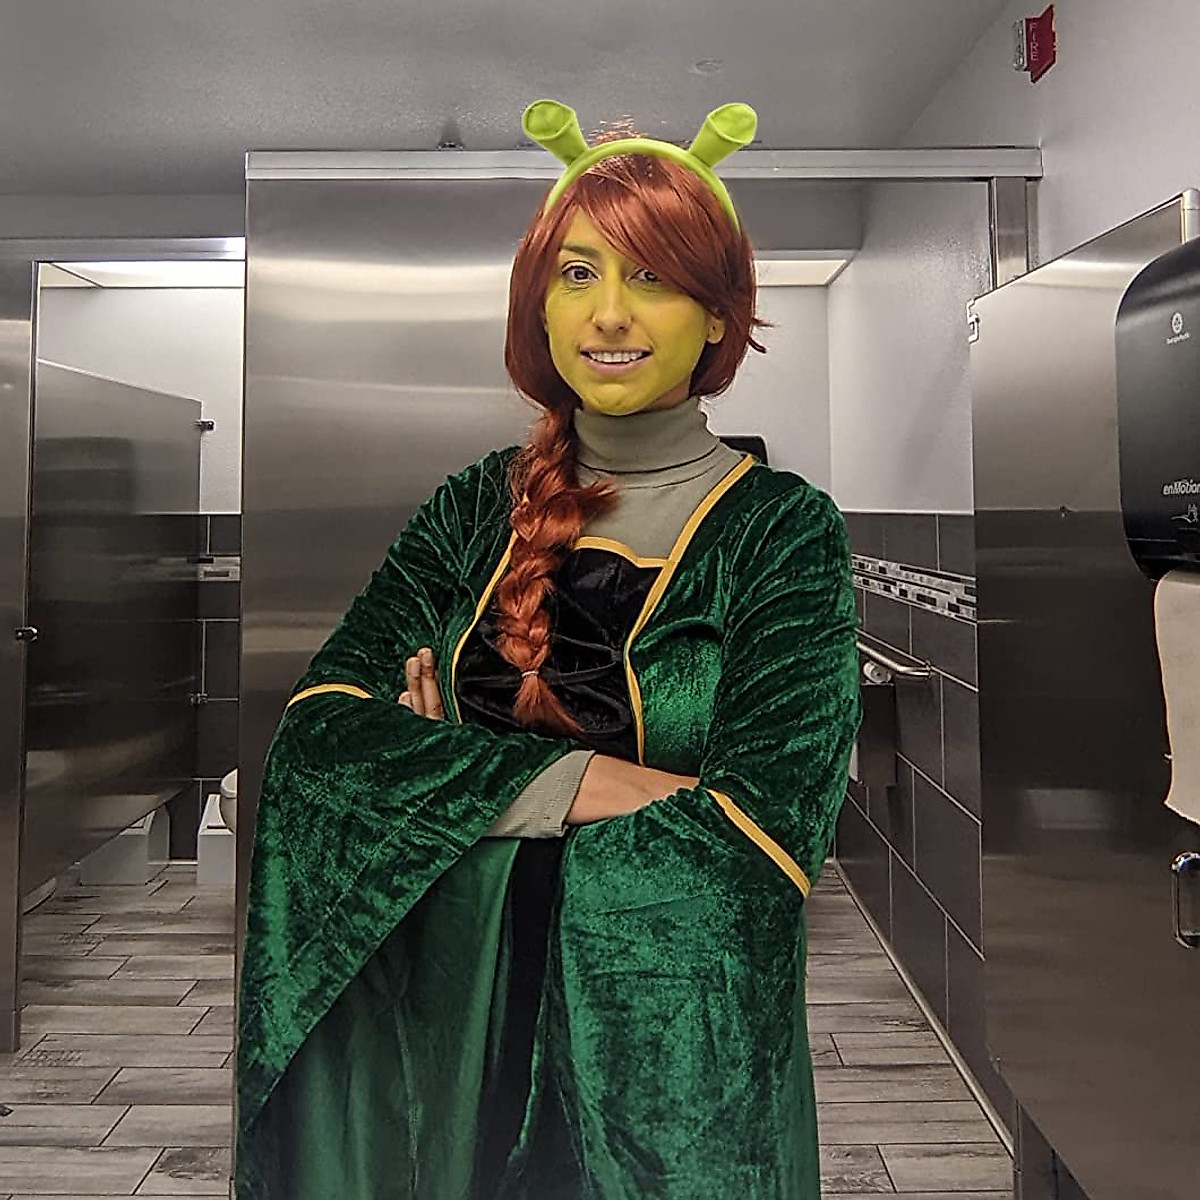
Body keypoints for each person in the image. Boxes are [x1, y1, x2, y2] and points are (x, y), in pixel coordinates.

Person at [235, 99, 861, 1200]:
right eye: (578, 274)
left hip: (668, 1063)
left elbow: (760, 841)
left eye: (652, 277)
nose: (609, 314)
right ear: (539, 303)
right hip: (450, 1033)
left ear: (719, 316)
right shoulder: (473, 507)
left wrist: (446, 782)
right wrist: (599, 785)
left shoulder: (781, 532)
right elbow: (317, 743)